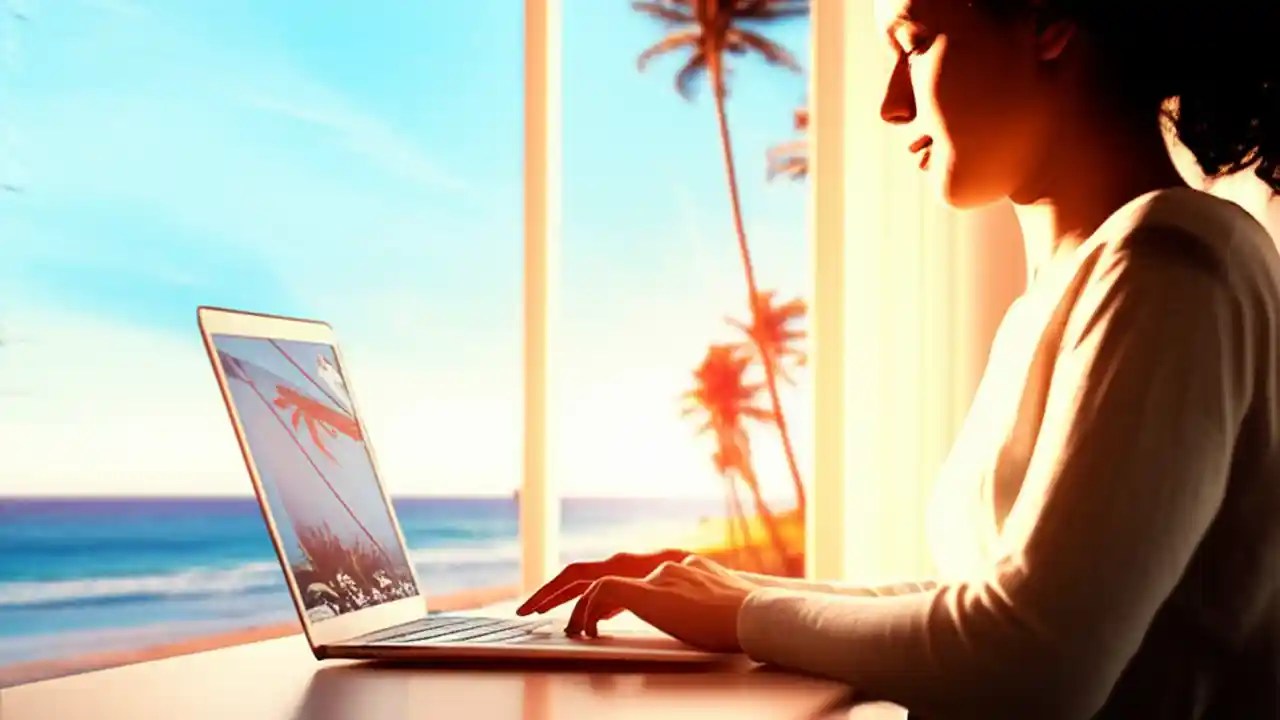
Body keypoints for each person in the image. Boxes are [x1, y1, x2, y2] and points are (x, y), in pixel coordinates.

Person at [517, 0, 1279, 717]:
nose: (891, 103)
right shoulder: (1068, 292)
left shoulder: (1173, 261)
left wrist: (746, 612)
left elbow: (1037, 659)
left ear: (1046, 21)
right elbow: (991, 599)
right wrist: (721, 589)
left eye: (914, 44)